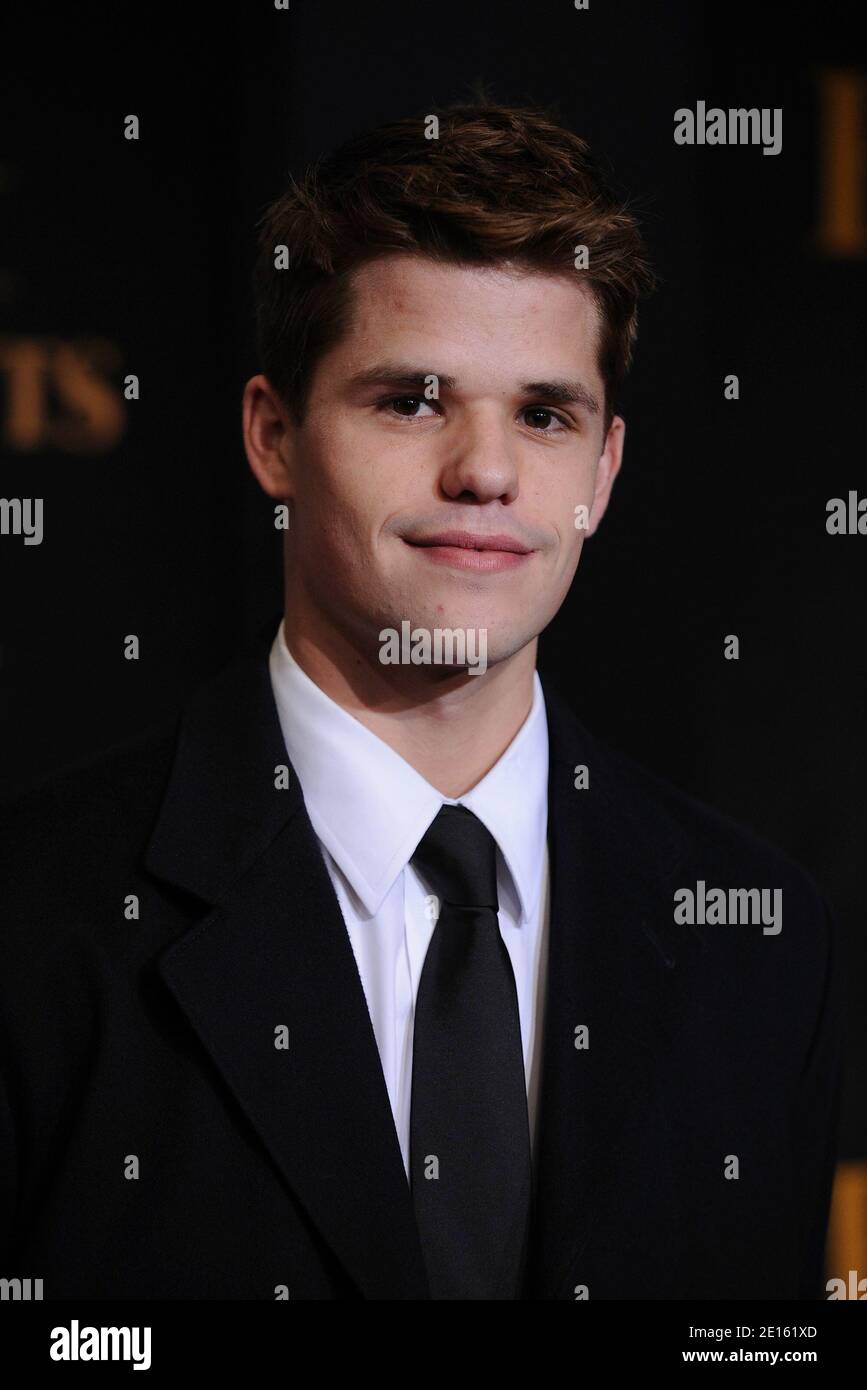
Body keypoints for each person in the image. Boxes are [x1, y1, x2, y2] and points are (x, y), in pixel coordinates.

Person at [0, 102, 844, 1300]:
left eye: (545, 415)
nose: (487, 472)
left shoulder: (761, 948)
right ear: (274, 437)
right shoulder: (36, 923)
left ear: (603, 470)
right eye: (412, 401)